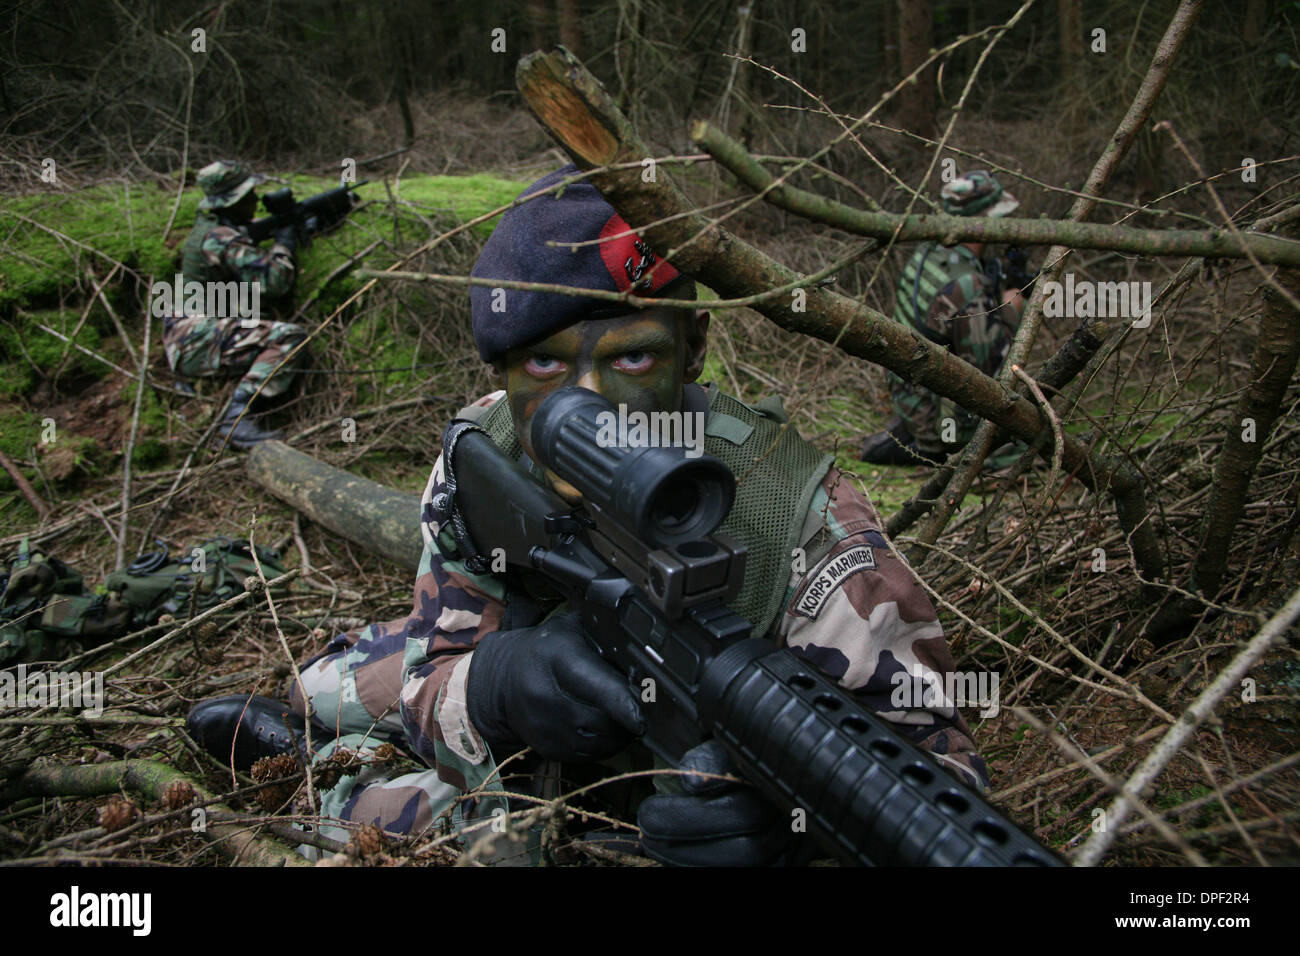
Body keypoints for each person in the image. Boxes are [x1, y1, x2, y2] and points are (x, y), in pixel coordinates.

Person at [187, 166, 990, 865]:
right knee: (319, 688)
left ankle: (320, 777)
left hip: (624, 789)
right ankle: (312, 712)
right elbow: (436, 672)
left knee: (487, 837)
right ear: (505, 368)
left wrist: (795, 834)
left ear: (695, 347)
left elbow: (942, 781)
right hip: (517, 678)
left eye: (632, 356)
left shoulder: (800, 520)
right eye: (543, 362)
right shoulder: (489, 448)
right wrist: (496, 687)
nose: (587, 405)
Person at [860, 170, 1026, 466]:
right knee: (1027, 442)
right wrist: (1012, 308)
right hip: (937, 422)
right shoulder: (968, 285)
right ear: (983, 221)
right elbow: (989, 375)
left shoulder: (928, 252)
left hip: (909, 397)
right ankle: (937, 449)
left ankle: (916, 437)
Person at [165, 160, 307, 448]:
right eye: (248, 194)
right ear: (234, 201)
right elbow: (275, 282)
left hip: (187, 335)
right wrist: (284, 244)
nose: (255, 199)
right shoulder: (220, 238)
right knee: (288, 337)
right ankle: (235, 420)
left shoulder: (213, 228)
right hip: (194, 339)